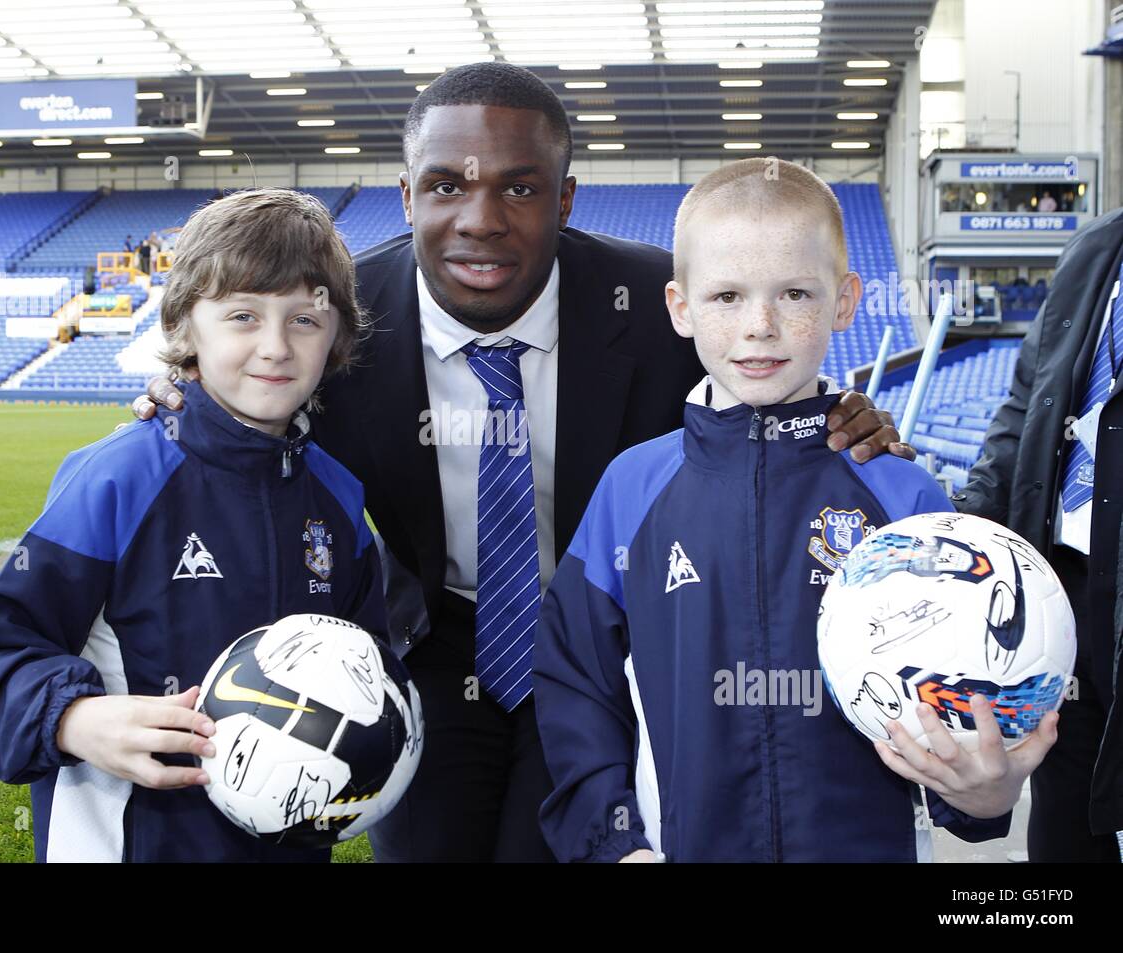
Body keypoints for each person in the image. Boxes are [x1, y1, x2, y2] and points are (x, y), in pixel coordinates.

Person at [131, 63, 912, 863]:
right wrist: (188, 388)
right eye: (445, 187)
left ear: (566, 199)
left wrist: (838, 410)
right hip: (434, 640)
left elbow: (762, 375)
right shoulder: (333, 317)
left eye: (522, 189)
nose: (481, 219)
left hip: (599, 641)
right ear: (406, 197)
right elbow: (247, 382)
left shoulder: (657, 301)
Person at [533, 158, 1055, 862]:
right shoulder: (631, 489)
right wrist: (614, 844)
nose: (761, 326)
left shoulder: (905, 498)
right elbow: (575, 683)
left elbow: (965, 721)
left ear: (844, 302)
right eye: (726, 296)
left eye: (796, 294)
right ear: (680, 307)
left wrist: (983, 797)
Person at [0, 189, 385, 862]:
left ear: (336, 339)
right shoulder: (115, 480)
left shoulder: (337, 497)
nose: (274, 346)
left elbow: (370, 663)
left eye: (304, 319)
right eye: (242, 315)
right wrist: (72, 718)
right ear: (185, 328)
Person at [955, 204, 1123, 862]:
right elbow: (1027, 402)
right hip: (1063, 581)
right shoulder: (1095, 247)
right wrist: (967, 525)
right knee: (1062, 812)